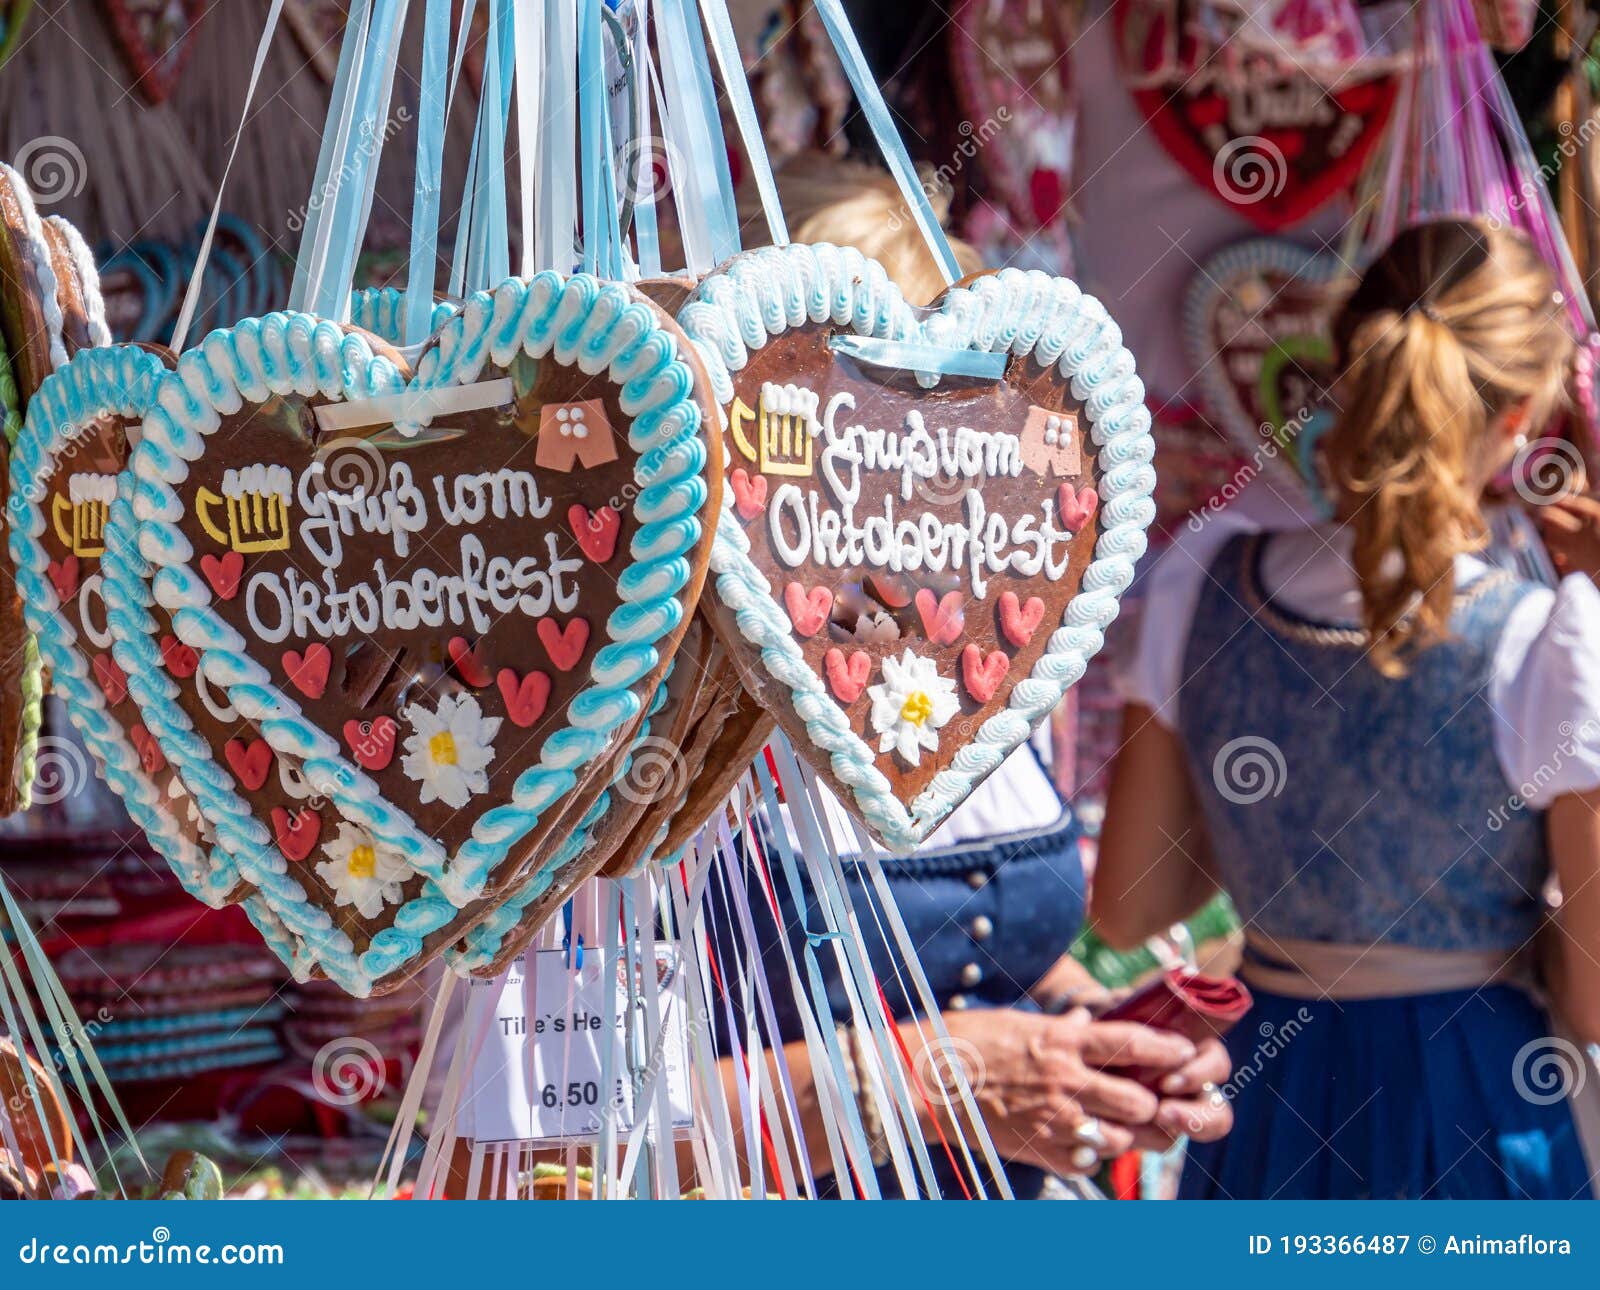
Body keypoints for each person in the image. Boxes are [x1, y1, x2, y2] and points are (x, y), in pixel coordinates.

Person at [694, 157, 1234, 1199]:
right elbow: (564, 1126)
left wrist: (1101, 1047)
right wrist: (931, 1080)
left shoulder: (978, 668)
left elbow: (998, 972)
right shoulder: (659, 733)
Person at [1093, 218, 1600, 1199]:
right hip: (1470, 1104)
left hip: (1268, 1091)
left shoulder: (1203, 579)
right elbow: (1593, 999)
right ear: (1520, 418)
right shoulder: (1553, 642)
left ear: (1343, 367)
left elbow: (1129, 908)